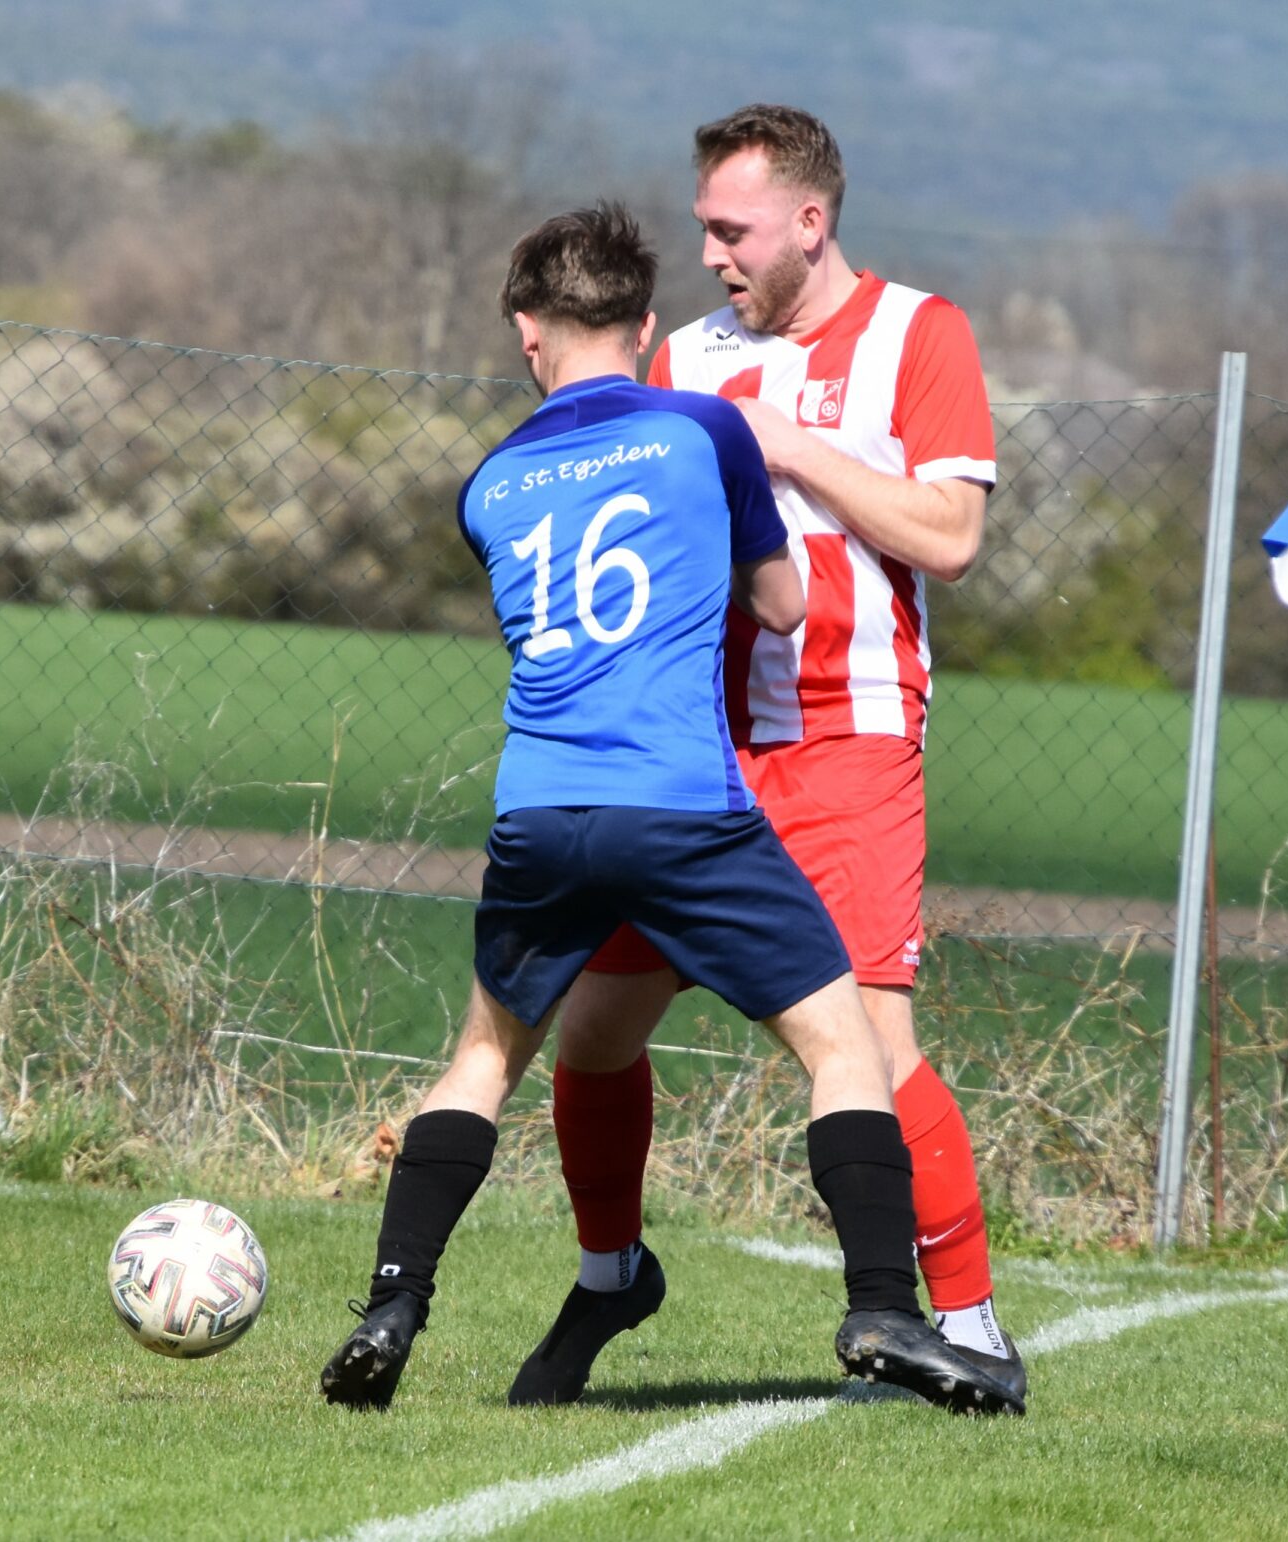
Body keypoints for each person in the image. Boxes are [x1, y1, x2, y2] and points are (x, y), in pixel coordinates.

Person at [319, 203, 1021, 1416]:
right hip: (688, 800)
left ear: (525, 335)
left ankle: (394, 1299)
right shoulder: (703, 430)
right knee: (842, 1042)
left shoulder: (489, 483)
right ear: (645, 328)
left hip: (540, 813)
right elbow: (786, 604)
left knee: (488, 1053)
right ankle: (881, 1309)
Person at [509, 106, 1027, 1412]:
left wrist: (792, 451)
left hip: (850, 742)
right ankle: (614, 1268)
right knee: (595, 1029)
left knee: (871, 1038)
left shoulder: (923, 336)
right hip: (700, 758)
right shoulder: (682, 355)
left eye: (733, 229)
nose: (714, 253)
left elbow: (951, 537)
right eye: (702, 230)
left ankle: (968, 1323)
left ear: (811, 219)